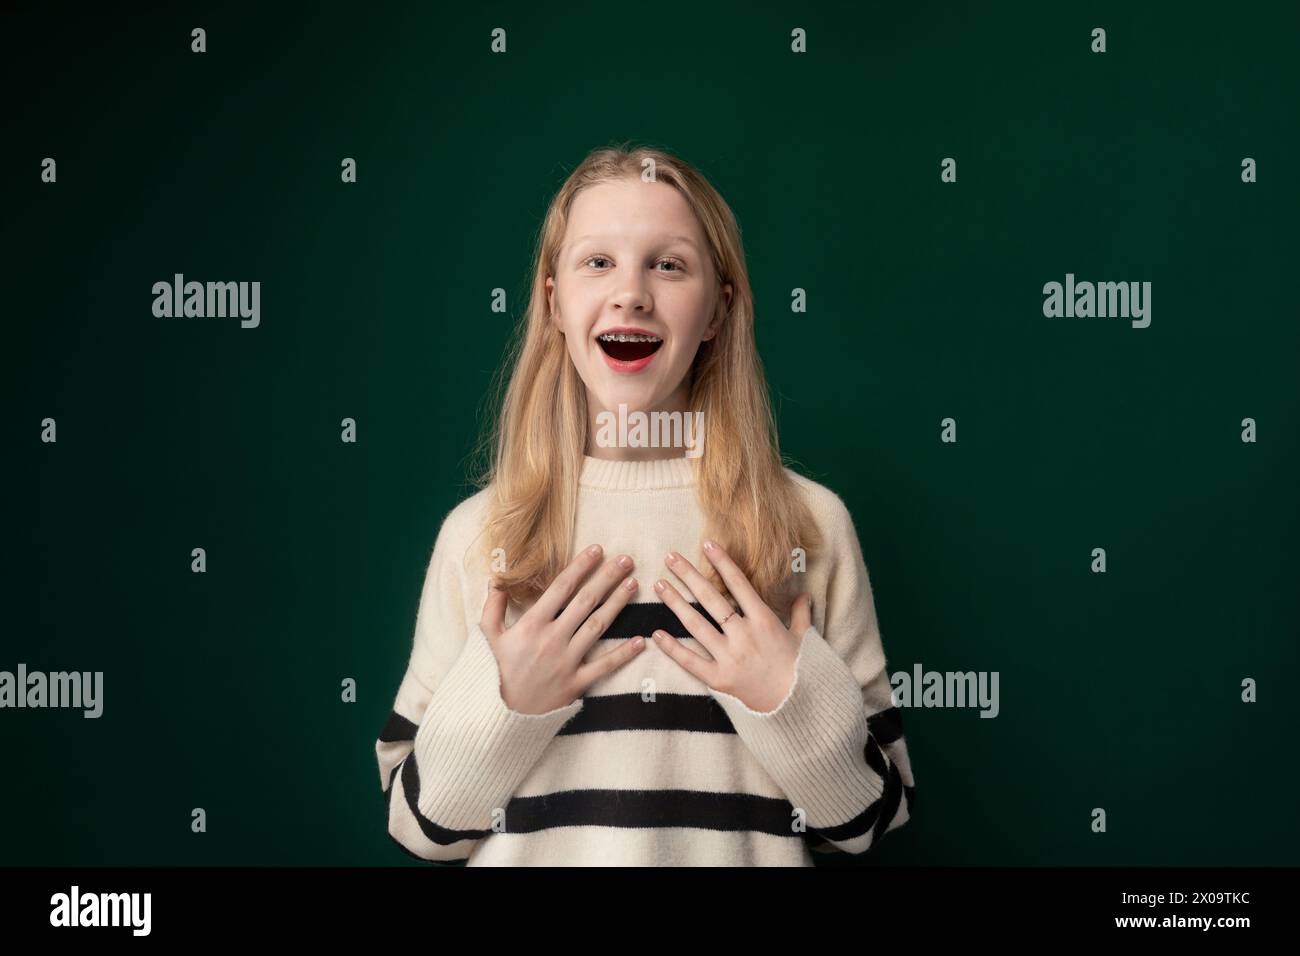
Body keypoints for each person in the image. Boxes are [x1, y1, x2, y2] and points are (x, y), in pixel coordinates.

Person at [376, 142, 916, 865]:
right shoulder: (480, 536)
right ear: (553, 302)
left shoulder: (809, 526)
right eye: (598, 262)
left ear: (719, 311)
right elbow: (418, 827)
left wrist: (785, 700)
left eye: (668, 264)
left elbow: (870, 821)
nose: (631, 291)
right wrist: (506, 703)